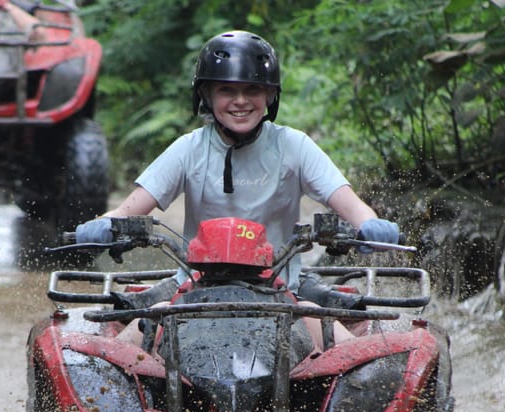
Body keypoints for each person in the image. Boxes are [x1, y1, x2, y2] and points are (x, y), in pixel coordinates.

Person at [75, 30, 400, 347]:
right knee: (133, 337)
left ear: (270, 95)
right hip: (194, 284)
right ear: (206, 95)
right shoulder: (189, 149)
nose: (240, 101)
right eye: (227, 90)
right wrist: (103, 224)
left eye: (252, 89)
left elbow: (349, 203)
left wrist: (369, 224)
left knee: (348, 346)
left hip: (283, 286)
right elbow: (128, 209)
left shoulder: (294, 146)